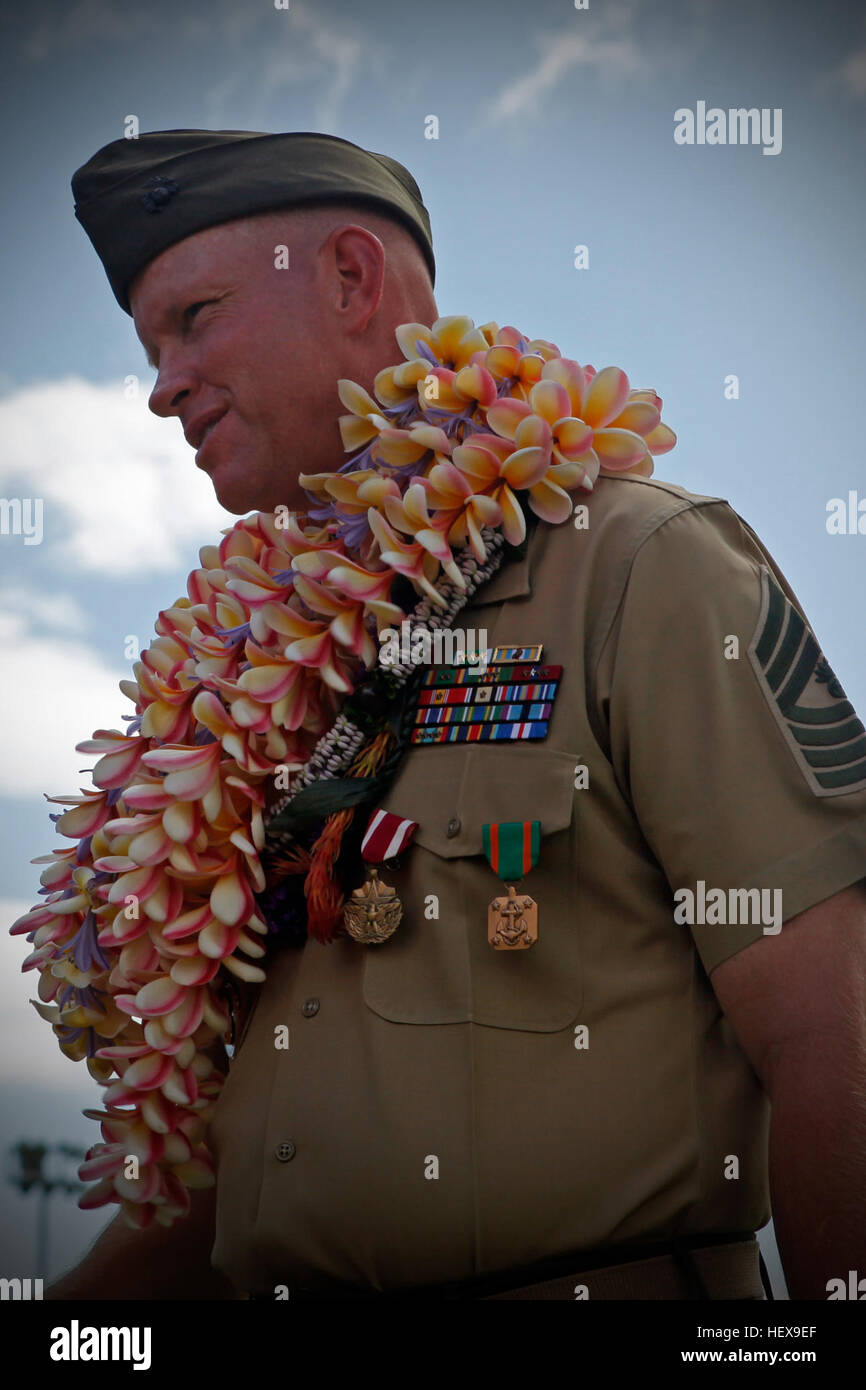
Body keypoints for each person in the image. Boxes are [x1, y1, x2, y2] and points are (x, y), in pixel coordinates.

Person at [46, 129, 866, 1300]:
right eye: (148, 344)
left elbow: (832, 1037)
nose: (159, 381)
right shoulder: (238, 690)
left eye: (194, 317)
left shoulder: (638, 564)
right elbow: (245, 1175)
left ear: (346, 276)